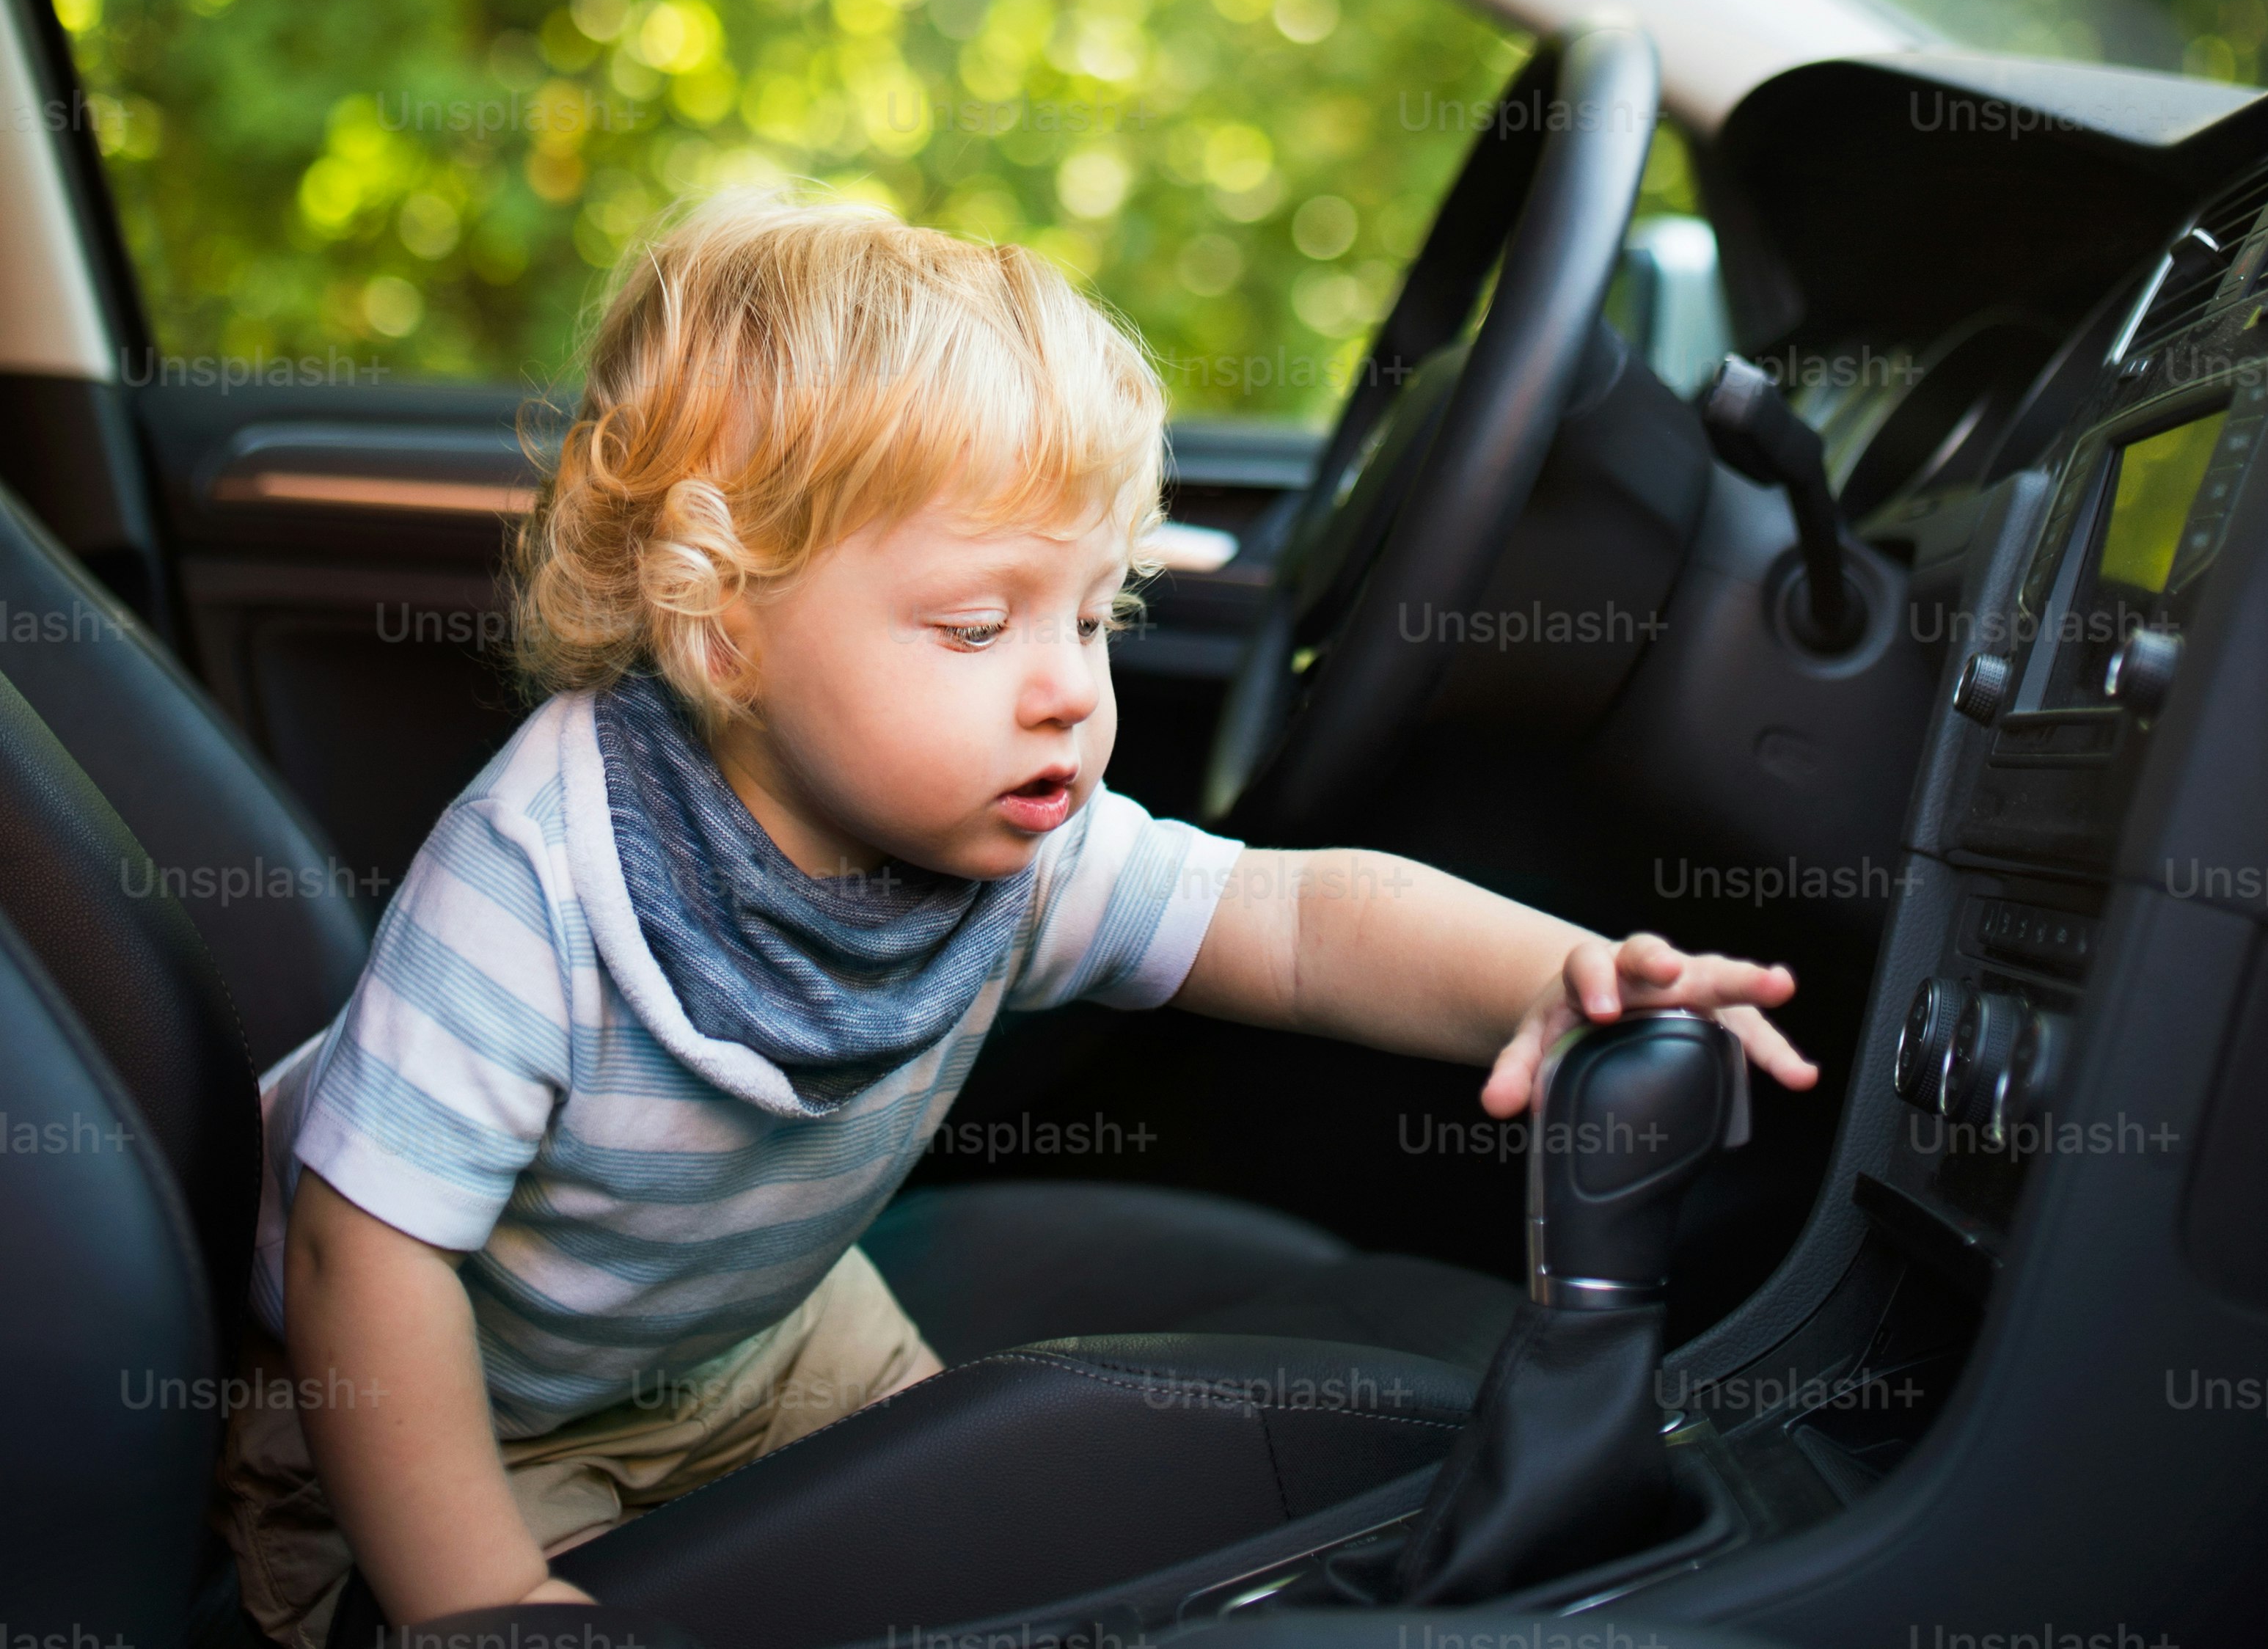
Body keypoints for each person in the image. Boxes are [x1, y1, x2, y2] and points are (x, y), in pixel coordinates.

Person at [216, 197, 1814, 1642]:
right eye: (977, 623)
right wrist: (476, 1594)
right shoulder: (541, 878)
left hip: (754, 1334)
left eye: (1094, 610)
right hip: (471, 1409)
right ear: (720, 625)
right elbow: (369, 1252)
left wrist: (1557, 974)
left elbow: (1292, 921)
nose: (1067, 688)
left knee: (959, 1554)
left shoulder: (1003, 835)